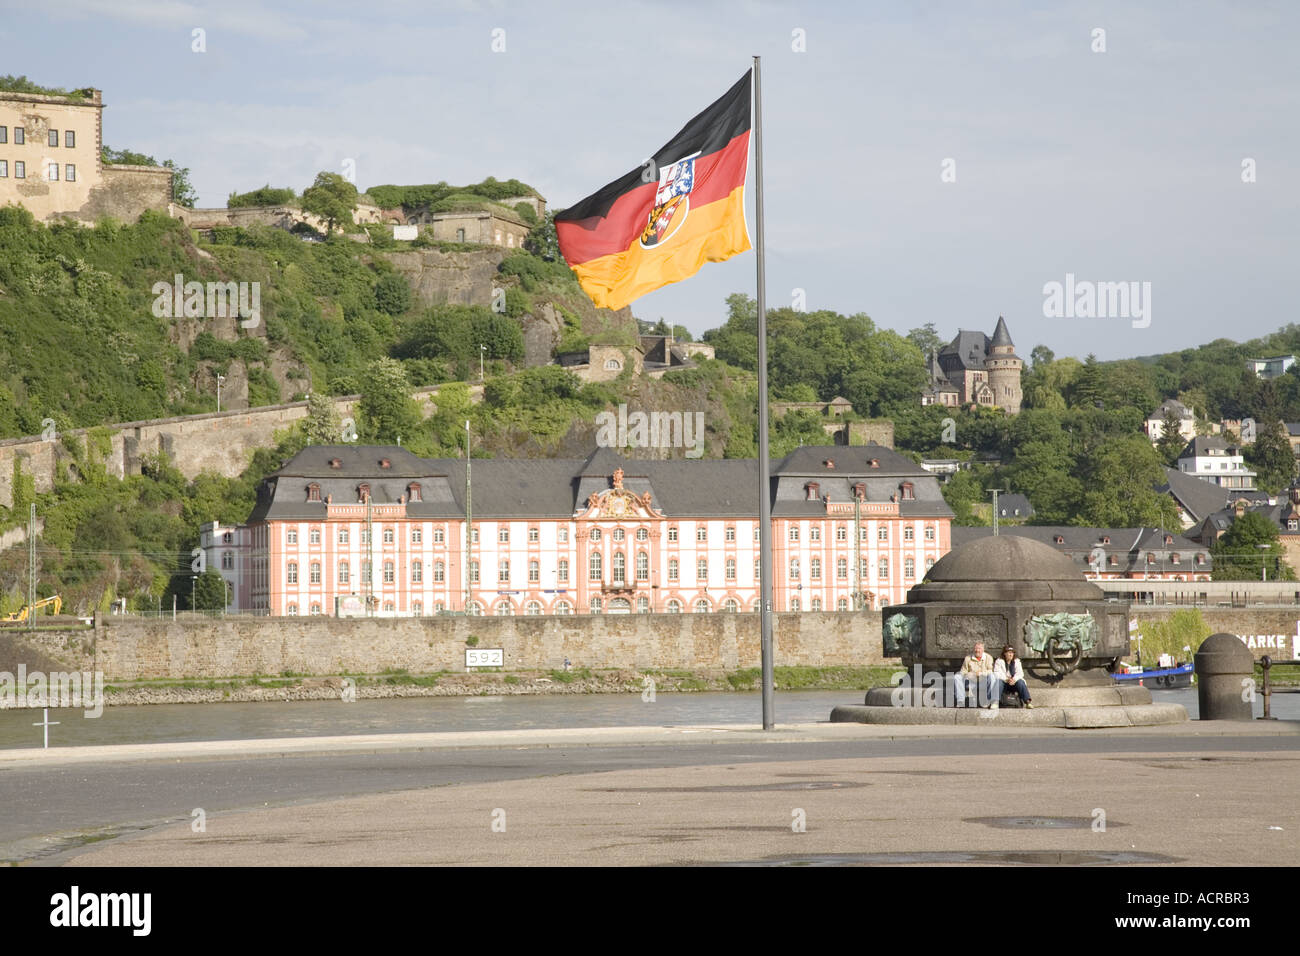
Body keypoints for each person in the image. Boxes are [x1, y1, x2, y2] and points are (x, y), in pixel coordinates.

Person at [953, 641, 997, 708]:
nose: (977, 650)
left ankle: (991, 701)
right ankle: (960, 701)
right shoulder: (968, 658)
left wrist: (981, 673)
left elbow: (991, 671)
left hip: (983, 682)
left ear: (983, 650)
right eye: (976, 648)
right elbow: (962, 672)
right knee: (957, 676)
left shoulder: (988, 657)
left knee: (992, 676)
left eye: (979, 648)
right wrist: (968, 674)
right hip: (971, 683)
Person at [993, 644, 1033, 709]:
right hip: (1004, 682)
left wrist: (1014, 679)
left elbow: (1020, 673)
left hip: (1014, 683)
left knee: (1020, 682)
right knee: (998, 682)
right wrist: (1006, 679)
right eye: (1009, 653)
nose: (1011, 655)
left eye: (1012, 653)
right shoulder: (999, 661)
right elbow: (996, 673)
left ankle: (1027, 702)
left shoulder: (1017, 661)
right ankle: (995, 702)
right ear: (1004, 653)